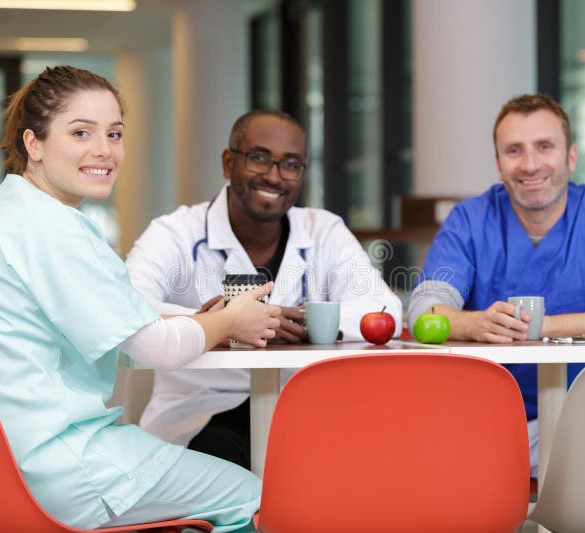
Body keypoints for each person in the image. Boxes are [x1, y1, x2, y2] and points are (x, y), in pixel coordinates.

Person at [0, 66, 283, 532]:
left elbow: (113, 305)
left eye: (114, 133)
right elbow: (157, 349)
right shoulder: (52, 229)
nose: (104, 150)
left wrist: (198, 317)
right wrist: (232, 320)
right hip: (61, 466)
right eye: (81, 132)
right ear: (32, 144)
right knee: (259, 497)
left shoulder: (6, 212)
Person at [126, 109, 402, 469]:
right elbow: (128, 306)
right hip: (201, 412)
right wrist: (220, 324)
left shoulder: (323, 230)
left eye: (291, 165)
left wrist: (303, 323)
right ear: (228, 163)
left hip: (302, 410)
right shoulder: (176, 233)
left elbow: (384, 309)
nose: (274, 176)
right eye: (259, 159)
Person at [407, 93, 585, 476]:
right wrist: (473, 324)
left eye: (544, 147)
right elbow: (422, 310)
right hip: (488, 417)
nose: (530, 165)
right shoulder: (470, 219)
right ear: (498, 164)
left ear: (570, 156)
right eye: (514, 151)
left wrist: (546, 328)